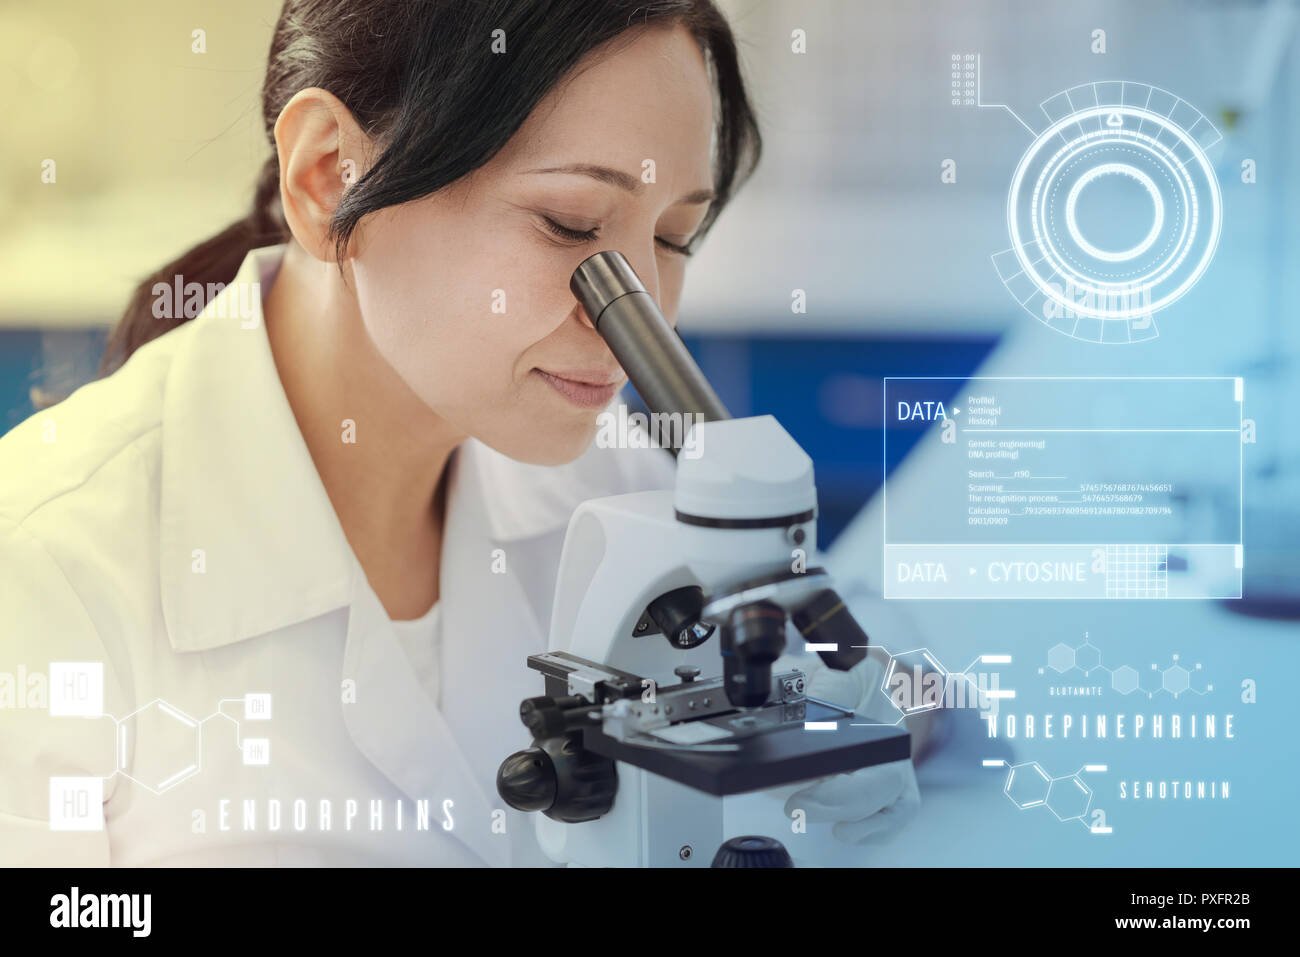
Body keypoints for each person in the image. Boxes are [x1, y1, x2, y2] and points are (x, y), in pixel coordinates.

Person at [0, 0, 917, 867]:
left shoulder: (606, 476)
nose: (642, 319)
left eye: (675, 239)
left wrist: (873, 706)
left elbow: (876, 650)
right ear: (330, 179)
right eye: (570, 224)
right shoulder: (47, 569)